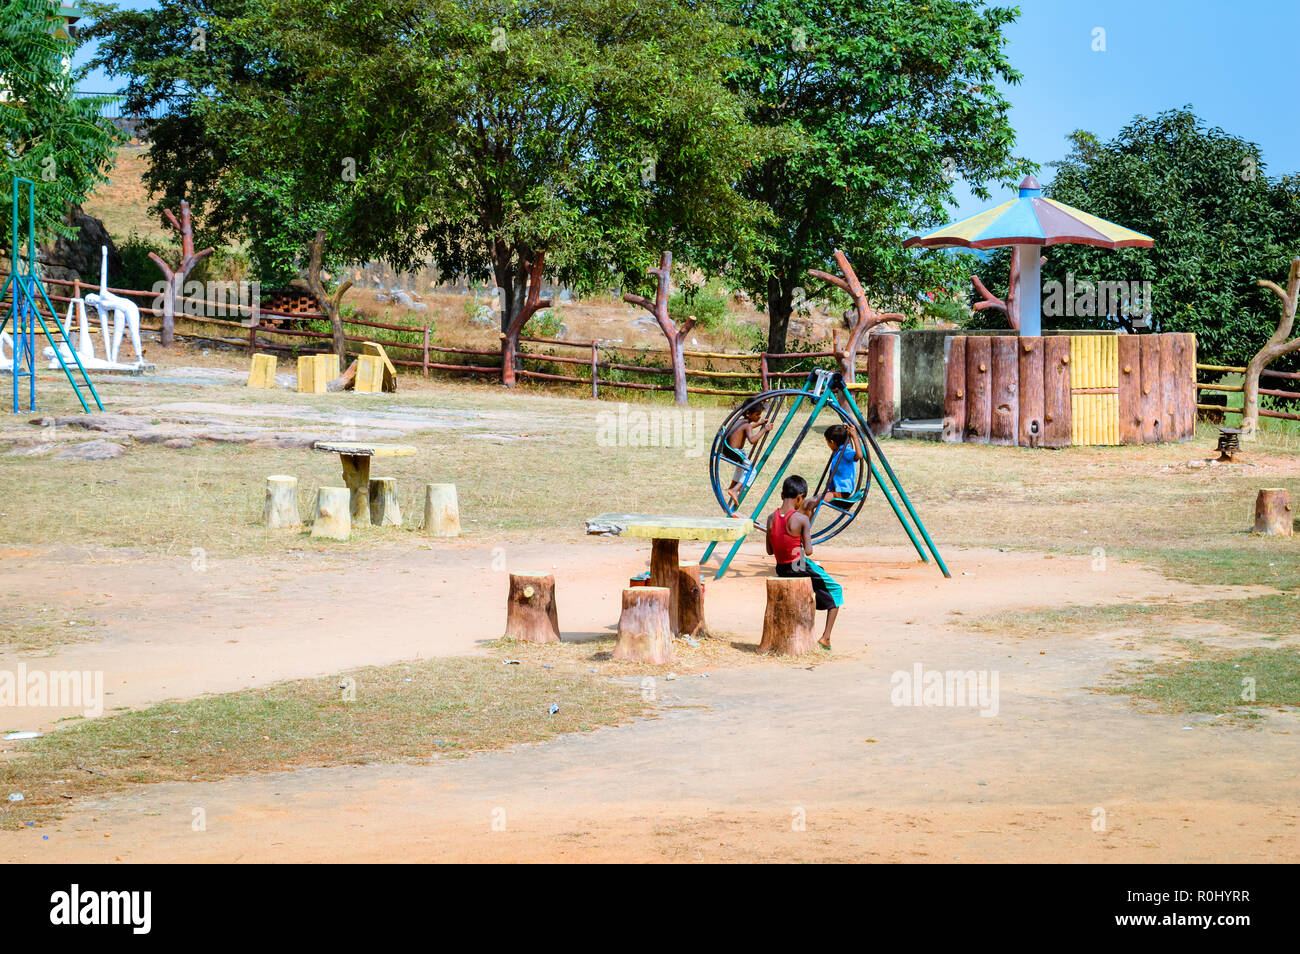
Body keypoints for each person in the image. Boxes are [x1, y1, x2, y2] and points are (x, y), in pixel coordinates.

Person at [764, 474, 843, 650]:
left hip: (781, 568)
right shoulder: (801, 519)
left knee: (816, 573)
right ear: (800, 498)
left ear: (781, 494)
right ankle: (826, 638)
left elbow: (769, 551)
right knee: (837, 590)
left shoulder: (771, 518)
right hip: (798, 566)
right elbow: (808, 551)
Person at [719, 400, 772, 510]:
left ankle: (732, 489)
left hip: (728, 450)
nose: (758, 417)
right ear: (748, 413)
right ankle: (735, 489)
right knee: (752, 471)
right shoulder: (747, 425)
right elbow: (752, 440)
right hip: (735, 452)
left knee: (741, 468)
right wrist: (764, 430)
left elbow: (748, 428)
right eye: (757, 415)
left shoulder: (740, 421)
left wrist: (760, 423)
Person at [818, 423, 863, 512]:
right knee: (810, 503)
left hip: (841, 492)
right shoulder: (840, 451)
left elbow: (859, 455)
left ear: (832, 442)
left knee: (810, 503)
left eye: (827, 442)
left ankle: (802, 524)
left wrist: (854, 436)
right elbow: (848, 444)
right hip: (837, 490)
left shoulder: (845, 452)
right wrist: (847, 431)